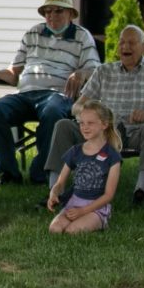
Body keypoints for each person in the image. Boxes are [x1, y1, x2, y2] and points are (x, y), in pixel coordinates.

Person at [44, 25, 144, 205]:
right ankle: (54, 191)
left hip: (137, 133)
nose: (125, 47)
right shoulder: (104, 71)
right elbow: (77, 106)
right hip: (103, 132)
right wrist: (92, 115)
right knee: (63, 125)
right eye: (122, 42)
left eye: (131, 43)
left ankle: (141, 192)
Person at [0, 0, 98, 185]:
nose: (52, 15)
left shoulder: (82, 36)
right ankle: (9, 174)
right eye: (48, 11)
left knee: (53, 112)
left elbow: (95, 70)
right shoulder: (33, 33)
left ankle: (41, 173)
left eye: (58, 11)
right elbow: (13, 73)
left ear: (70, 13)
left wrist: (81, 73)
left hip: (58, 95)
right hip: (25, 94)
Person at [46, 100, 121, 234]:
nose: (85, 127)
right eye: (81, 123)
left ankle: (101, 220)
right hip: (74, 204)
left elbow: (109, 195)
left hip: (95, 207)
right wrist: (54, 193)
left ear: (104, 124)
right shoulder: (75, 151)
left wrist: (83, 211)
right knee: (55, 229)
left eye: (90, 123)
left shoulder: (112, 156)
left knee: (72, 231)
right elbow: (60, 183)